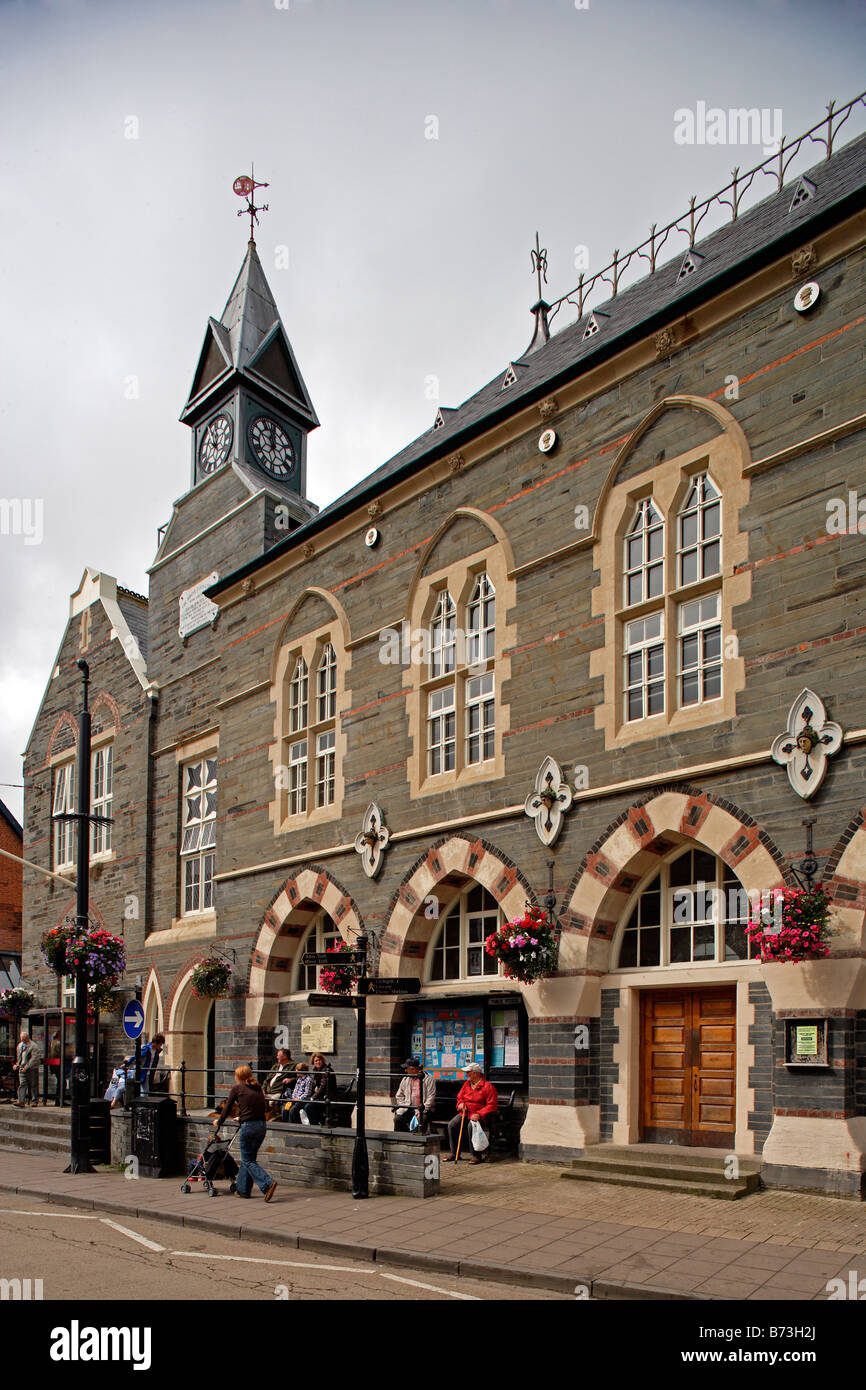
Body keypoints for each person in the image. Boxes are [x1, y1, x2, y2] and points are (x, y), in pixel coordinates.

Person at [213, 1065, 277, 1202]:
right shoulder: (258, 1088)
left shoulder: (238, 1088)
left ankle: (267, 1183)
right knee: (248, 1159)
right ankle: (242, 1190)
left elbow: (227, 1107)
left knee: (247, 1160)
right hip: (261, 1126)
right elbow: (260, 1108)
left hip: (249, 1127)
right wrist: (242, 1117)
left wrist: (219, 1122)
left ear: (238, 1076)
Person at [443, 1062, 498, 1164]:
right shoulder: (466, 1084)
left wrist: (480, 1114)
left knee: (471, 1126)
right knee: (452, 1125)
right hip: (465, 1113)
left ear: (475, 1073)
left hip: (481, 1116)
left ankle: (476, 1155)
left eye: (468, 1072)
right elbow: (460, 1097)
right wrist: (460, 1104)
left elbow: (492, 1105)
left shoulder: (488, 1087)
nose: (466, 1074)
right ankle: (455, 1153)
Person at [393, 1057, 435, 1132]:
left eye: (407, 1068)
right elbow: (399, 1095)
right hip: (408, 1108)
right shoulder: (406, 1079)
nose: (405, 1070)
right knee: (397, 1119)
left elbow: (430, 1097)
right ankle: (400, 1140)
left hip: (423, 1109)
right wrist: (403, 1105)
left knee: (421, 1122)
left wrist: (422, 1110)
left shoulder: (429, 1079)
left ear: (413, 1069)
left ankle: (415, 1141)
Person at [304, 1052, 337, 1126]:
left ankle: (315, 1125)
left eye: (319, 1060)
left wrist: (313, 1097)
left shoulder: (326, 1070)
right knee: (300, 1103)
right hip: (319, 1096)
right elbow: (316, 1085)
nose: (318, 1062)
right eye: (316, 1061)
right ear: (313, 1062)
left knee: (308, 1107)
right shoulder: (316, 1070)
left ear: (322, 1060)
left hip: (326, 1097)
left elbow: (322, 1087)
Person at [12, 1031, 42, 1108]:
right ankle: (21, 1101)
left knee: (33, 1084)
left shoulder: (33, 1046)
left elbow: (34, 1058)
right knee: (22, 1084)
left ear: (27, 1038)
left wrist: (27, 1067)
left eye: (24, 1039)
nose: (22, 1040)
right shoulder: (20, 1046)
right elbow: (19, 1057)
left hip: (32, 1068)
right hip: (22, 1067)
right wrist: (17, 1065)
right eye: (21, 1039)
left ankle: (34, 1100)